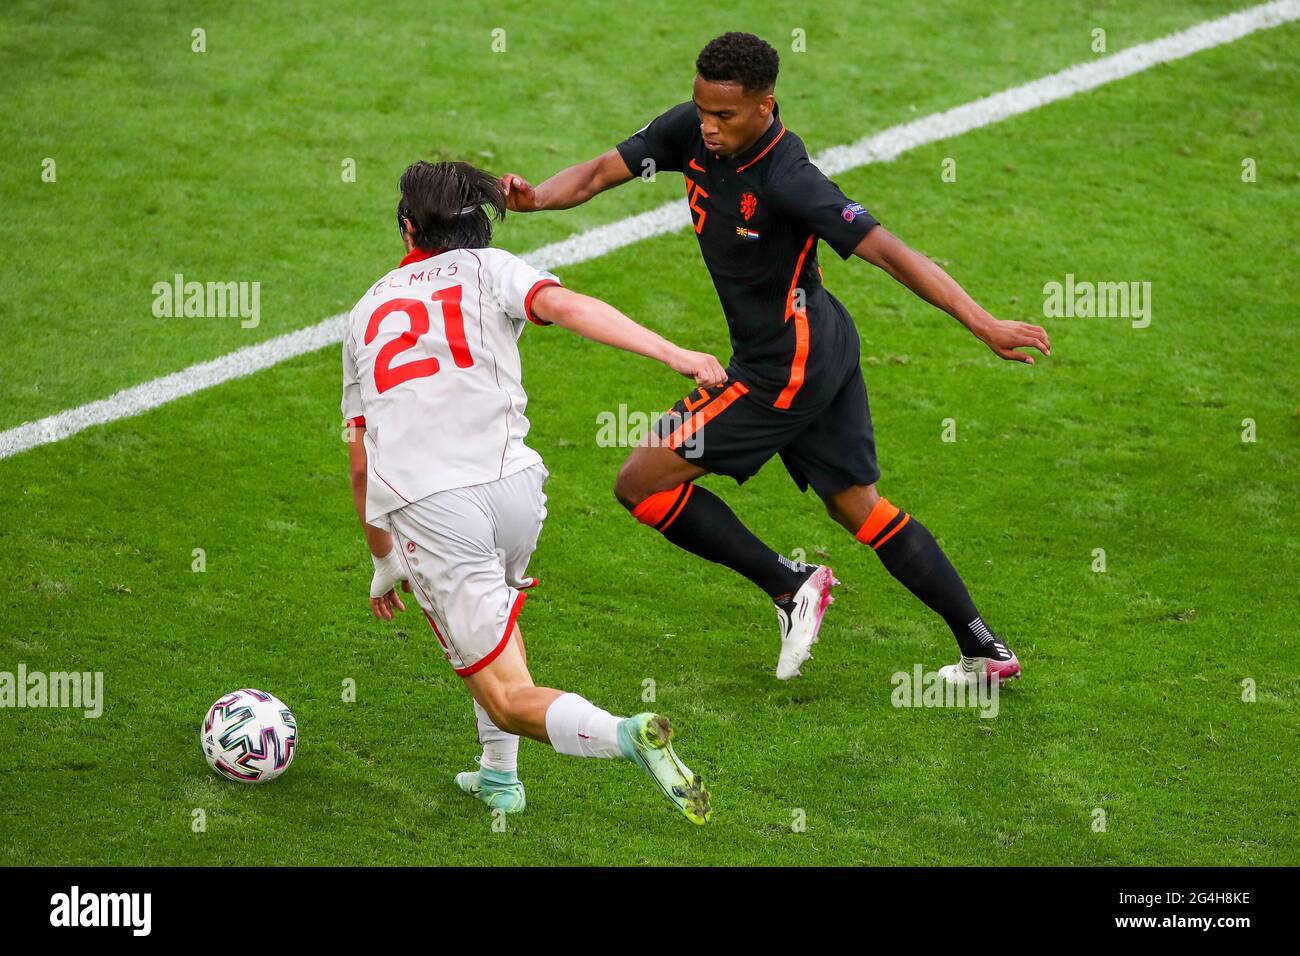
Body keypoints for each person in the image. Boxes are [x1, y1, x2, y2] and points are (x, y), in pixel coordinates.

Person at [500, 32, 1049, 685]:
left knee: (639, 482)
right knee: (858, 507)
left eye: (723, 116)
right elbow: (594, 175)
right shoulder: (692, 130)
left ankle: (792, 587)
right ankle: (985, 648)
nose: (707, 127)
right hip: (816, 343)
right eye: (701, 111)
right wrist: (536, 199)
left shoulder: (790, 179)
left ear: (766, 105)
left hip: (785, 366)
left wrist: (983, 324)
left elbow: (891, 253)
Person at [342, 159, 725, 823]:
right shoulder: (497, 268)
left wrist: (383, 561)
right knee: (493, 616)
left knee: (505, 697)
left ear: (408, 230)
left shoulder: (365, 313)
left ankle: (625, 735)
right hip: (518, 489)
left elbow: (360, 463)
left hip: (434, 507)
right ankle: (498, 777)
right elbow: (570, 307)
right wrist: (677, 355)